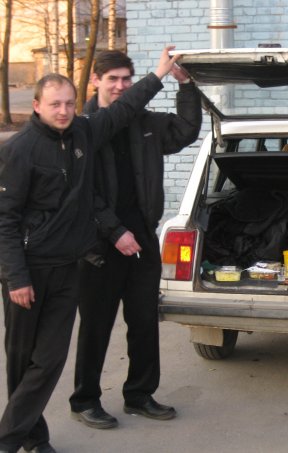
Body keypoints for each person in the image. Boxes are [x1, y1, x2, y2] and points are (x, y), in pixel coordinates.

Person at [0, 47, 181, 453]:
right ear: (37, 106)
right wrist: (16, 277)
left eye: (68, 103)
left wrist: (158, 75)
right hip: (30, 271)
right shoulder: (19, 149)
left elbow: (125, 108)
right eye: (55, 105)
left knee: (49, 361)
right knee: (22, 360)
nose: (64, 111)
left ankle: (12, 438)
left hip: (68, 266)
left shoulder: (83, 133)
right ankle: (30, 438)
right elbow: (4, 219)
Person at [68, 50, 202, 429]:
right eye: (112, 78)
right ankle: (84, 400)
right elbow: (84, 195)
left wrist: (186, 86)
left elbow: (186, 131)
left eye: (126, 78)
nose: (120, 85)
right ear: (96, 81)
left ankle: (139, 395)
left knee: (143, 322)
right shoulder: (83, 129)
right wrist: (115, 232)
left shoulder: (145, 124)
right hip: (97, 245)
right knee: (96, 326)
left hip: (141, 239)